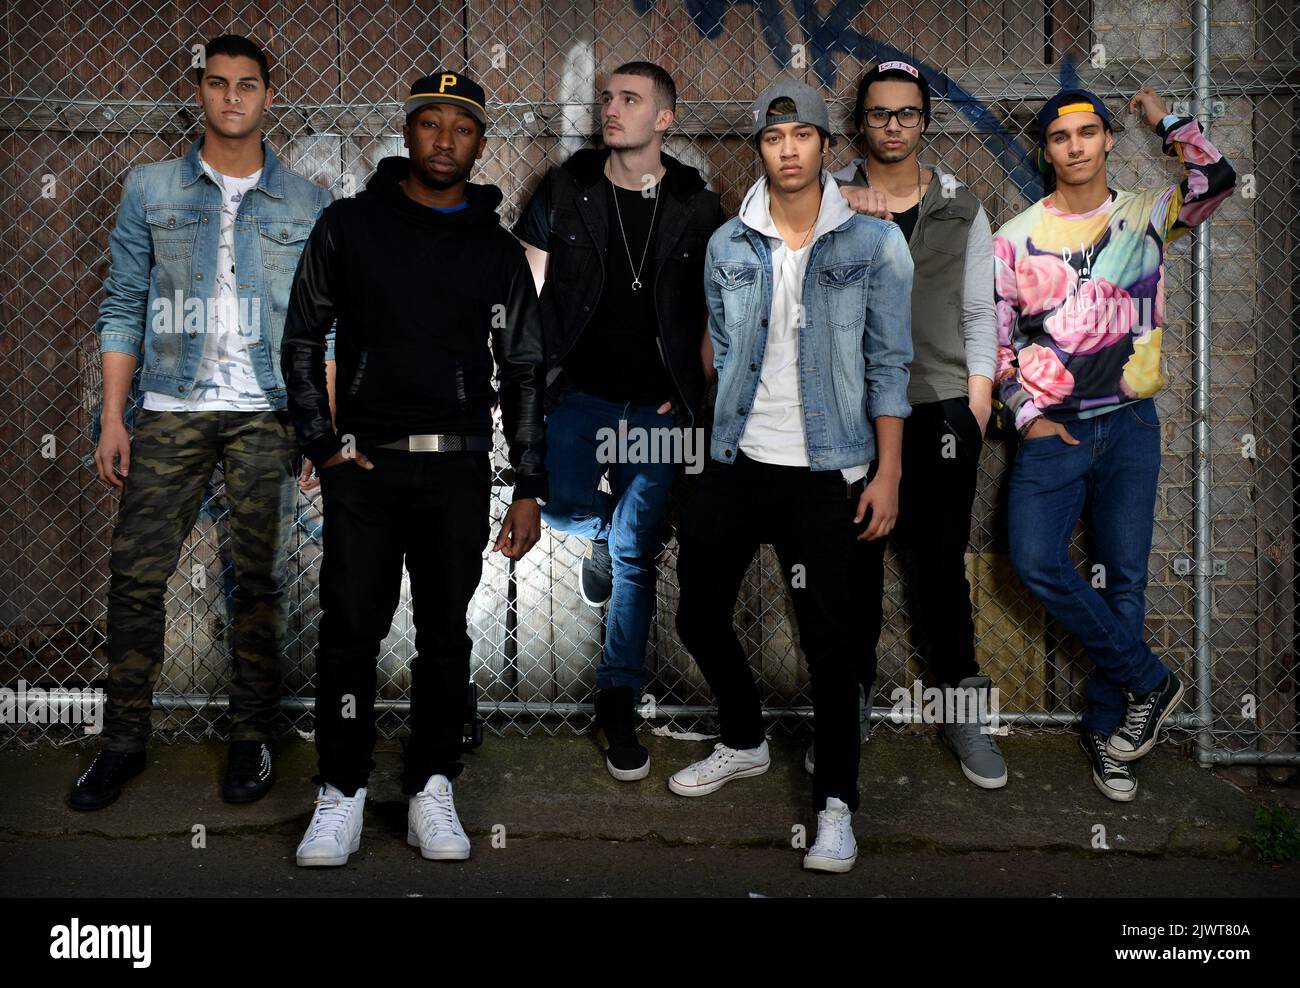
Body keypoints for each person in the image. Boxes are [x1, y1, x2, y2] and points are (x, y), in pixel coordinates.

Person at [282, 71, 547, 866]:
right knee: (351, 631)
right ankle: (343, 788)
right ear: (407, 133)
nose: (442, 139)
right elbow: (302, 338)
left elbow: (526, 368)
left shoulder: (496, 251)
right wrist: (322, 441)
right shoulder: (350, 226)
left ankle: (432, 781)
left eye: (459, 128)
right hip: (365, 468)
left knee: (443, 634)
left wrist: (528, 484)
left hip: (457, 470)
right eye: (428, 124)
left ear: (479, 141)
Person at [72, 33, 332, 811]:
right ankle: (122, 743)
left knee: (257, 580)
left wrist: (319, 426)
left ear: (267, 95)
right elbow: (121, 303)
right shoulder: (151, 189)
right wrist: (115, 416)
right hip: (170, 406)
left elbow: (322, 325)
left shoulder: (307, 200)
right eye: (217, 84)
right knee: (135, 575)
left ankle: (249, 740)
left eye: (246, 85)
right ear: (201, 91)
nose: (231, 98)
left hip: (267, 412)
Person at [669, 80, 913, 873]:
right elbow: (714, 347)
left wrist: (888, 473)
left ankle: (837, 805)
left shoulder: (874, 245)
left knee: (832, 651)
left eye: (803, 135)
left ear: (824, 147)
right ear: (762, 149)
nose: (788, 149)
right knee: (698, 614)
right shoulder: (728, 244)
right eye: (775, 137)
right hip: (738, 462)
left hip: (829, 471)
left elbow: (889, 362)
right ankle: (744, 737)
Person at [993, 86, 1236, 801]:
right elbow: (997, 344)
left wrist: (1164, 121)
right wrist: (1026, 414)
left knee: (1121, 576)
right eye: (1061, 136)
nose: (1075, 146)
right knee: (1037, 558)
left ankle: (1113, 733)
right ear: (1047, 150)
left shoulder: (1147, 215)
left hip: (1131, 425)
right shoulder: (1014, 237)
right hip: (1055, 430)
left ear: (1106, 141)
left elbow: (1216, 179)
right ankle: (1152, 682)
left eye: (1088, 132)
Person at [512, 62, 724, 782]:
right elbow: (526, 292)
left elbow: (715, 309)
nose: (612, 109)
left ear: (665, 117)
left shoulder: (697, 204)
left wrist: (690, 391)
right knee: (563, 505)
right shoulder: (568, 189)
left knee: (638, 557)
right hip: (581, 397)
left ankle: (617, 700)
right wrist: (539, 382)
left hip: (656, 406)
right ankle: (601, 531)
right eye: (607, 98)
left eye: (629, 100)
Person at [831, 59, 1005, 789]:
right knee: (850, 572)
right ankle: (849, 716)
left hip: (938, 407)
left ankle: (962, 712)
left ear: (924, 122)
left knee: (938, 569)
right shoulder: (830, 195)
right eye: (880, 114)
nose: (893, 126)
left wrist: (976, 403)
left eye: (906, 114)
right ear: (861, 122)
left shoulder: (962, 204)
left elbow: (978, 311)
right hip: (847, 406)